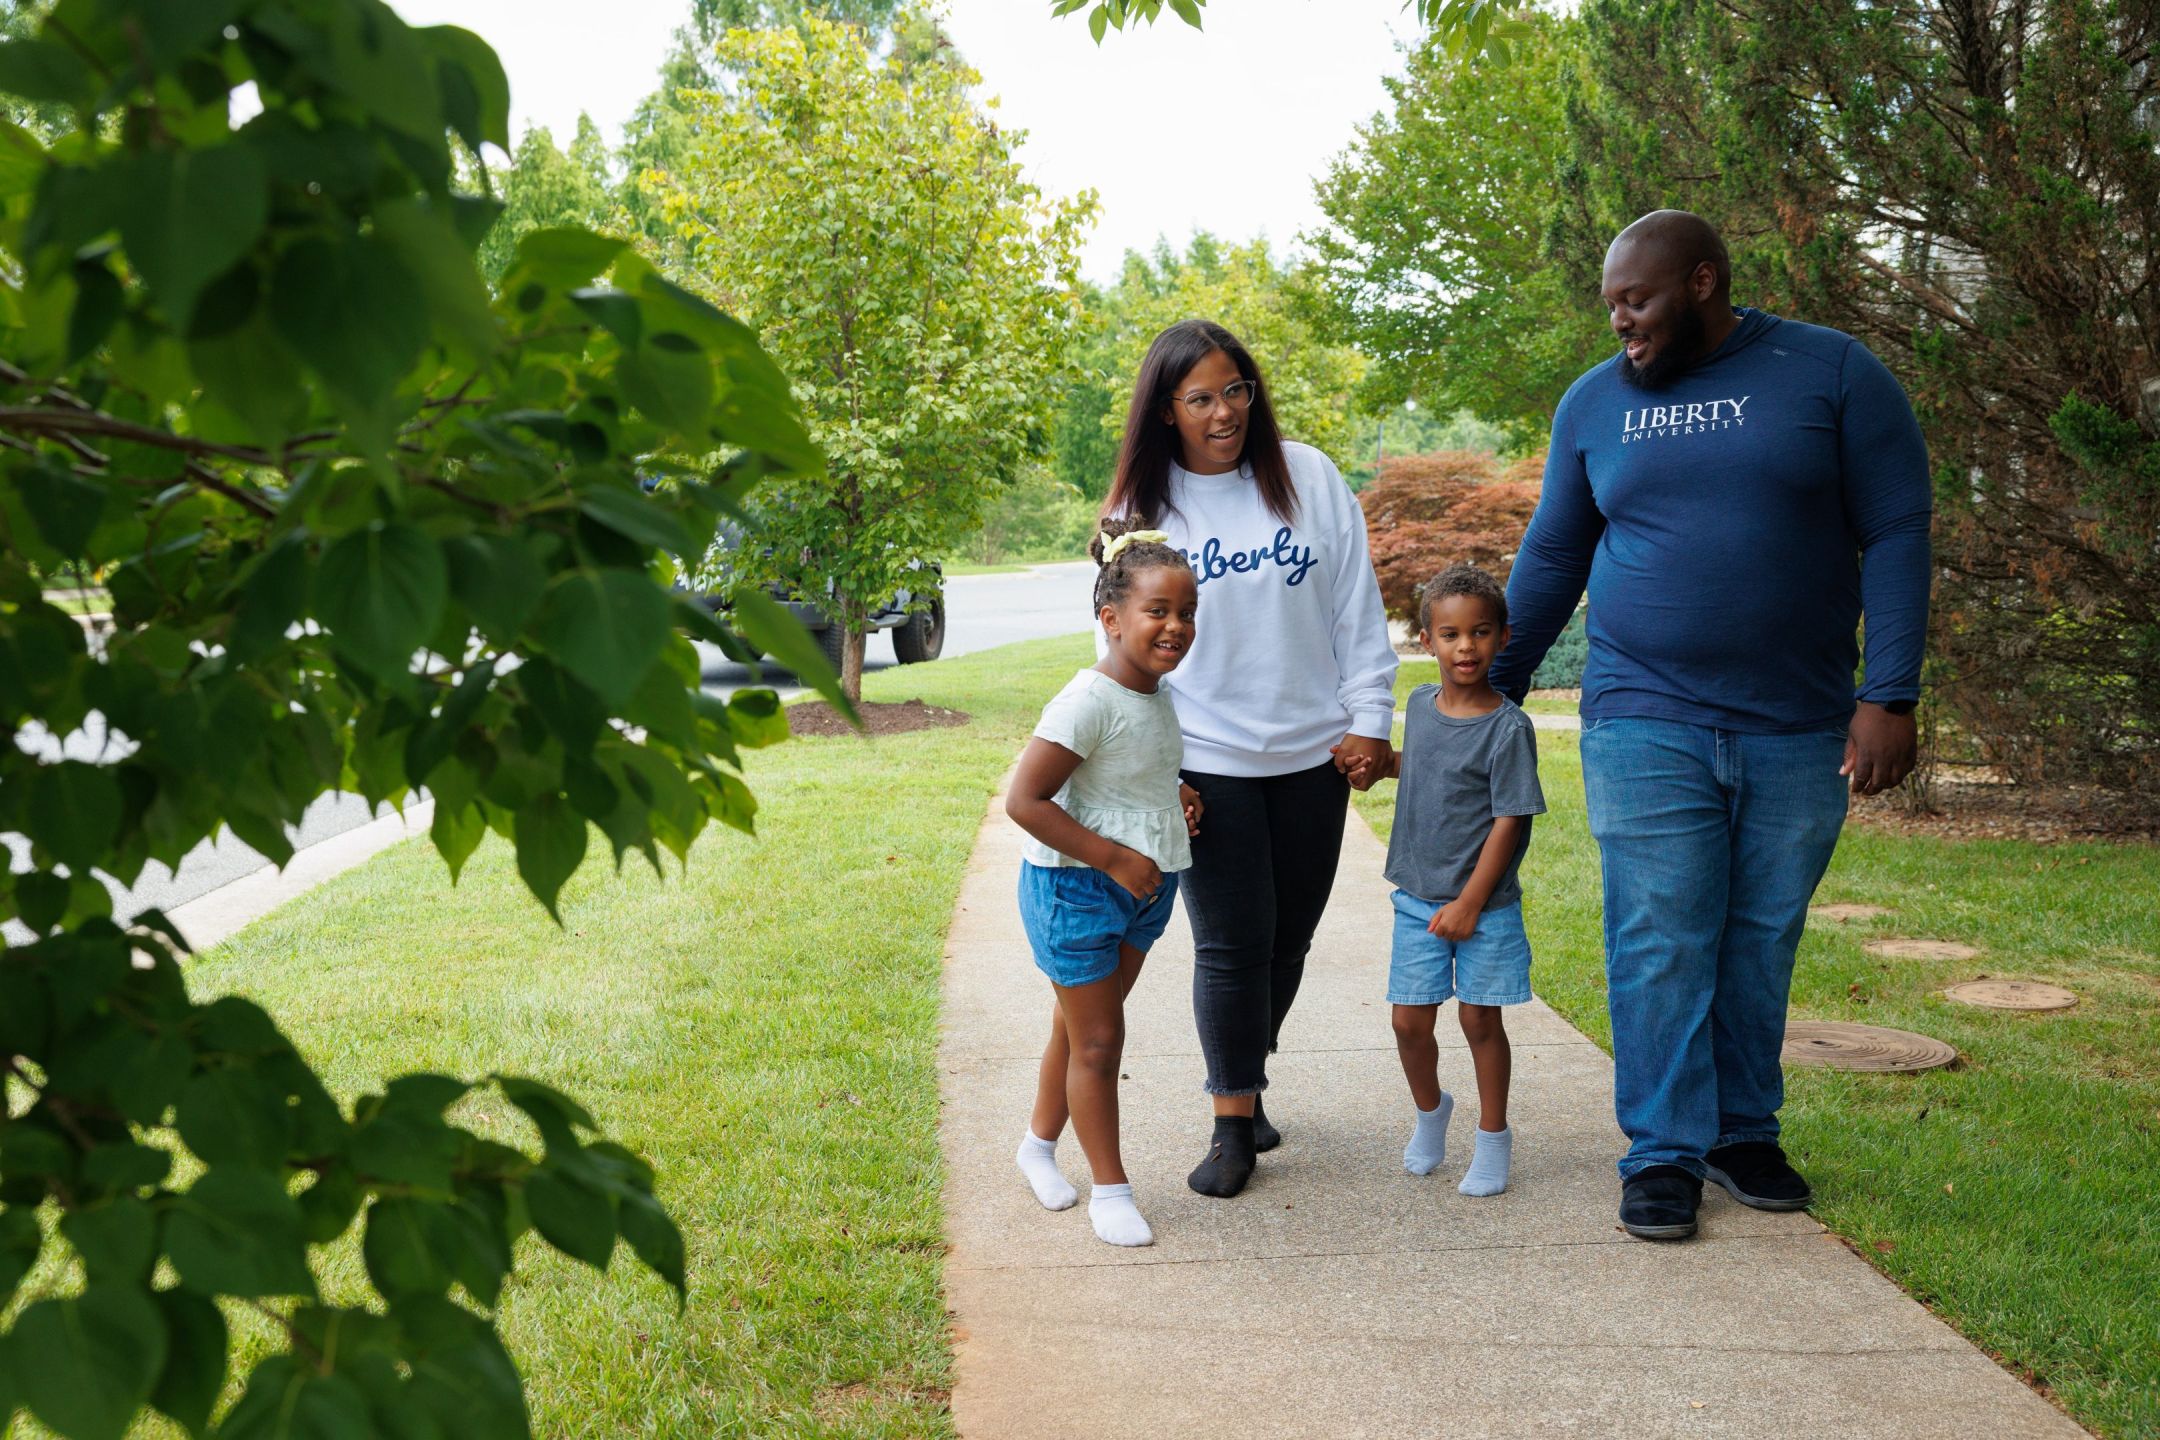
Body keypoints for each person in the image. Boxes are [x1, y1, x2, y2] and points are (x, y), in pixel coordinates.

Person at [1489, 210, 1932, 1241]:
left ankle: (1741, 1132)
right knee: (1658, 935)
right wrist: (1492, 690)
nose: (1619, 324)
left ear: (1700, 282)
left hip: (1799, 721)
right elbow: (1555, 553)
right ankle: (1663, 1152)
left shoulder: (1831, 374)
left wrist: (1892, 693)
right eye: (1609, 306)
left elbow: (1898, 531)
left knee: (1759, 938)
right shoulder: (1595, 404)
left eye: (1635, 302)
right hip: (1645, 712)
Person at [1099, 319, 1397, 1199]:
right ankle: (1232, 1121)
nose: (1224, 411)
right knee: (1230, 945)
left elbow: (1356, 606)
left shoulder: (1307, 476)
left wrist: (1369, 719)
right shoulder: (1140, 516)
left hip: (1316, 754)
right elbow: (1121, 656)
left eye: (1236, 390)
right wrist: (1159, 773)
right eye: (1200, 398)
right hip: (1207, 761)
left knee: (1289, 941)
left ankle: (1249, 1077)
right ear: (1165, 411)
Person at [1006, 518, 1204, 1247]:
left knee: (1077, 1029)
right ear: (1110, 618)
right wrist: (1115, 858)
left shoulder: (1154, 693)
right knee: (1098, 1044)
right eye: (1158, 612)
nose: (1175, 626)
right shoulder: (1086, 699)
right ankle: (1110, 1193)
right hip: (1077, 891)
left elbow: (1128, 769)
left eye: (1186, 612)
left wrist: (1172, 792)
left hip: (1144, 892)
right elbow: (1025, 802)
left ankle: (1035, 1147)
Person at [1346, 565, 1545, 1197]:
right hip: (1416, 898)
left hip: (1482, 907)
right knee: (1409, 1023)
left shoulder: (1509, 728)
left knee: (1480, 1022)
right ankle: (1432, 1114)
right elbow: (1430, 767)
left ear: (1503, 638)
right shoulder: (1419, 707)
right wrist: (1384, 768)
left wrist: (1470, 903)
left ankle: (1493, 1140)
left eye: (1481, 632)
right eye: (1452, 633)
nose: (1467, 647)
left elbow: (1509, 821)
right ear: (1427, 641)